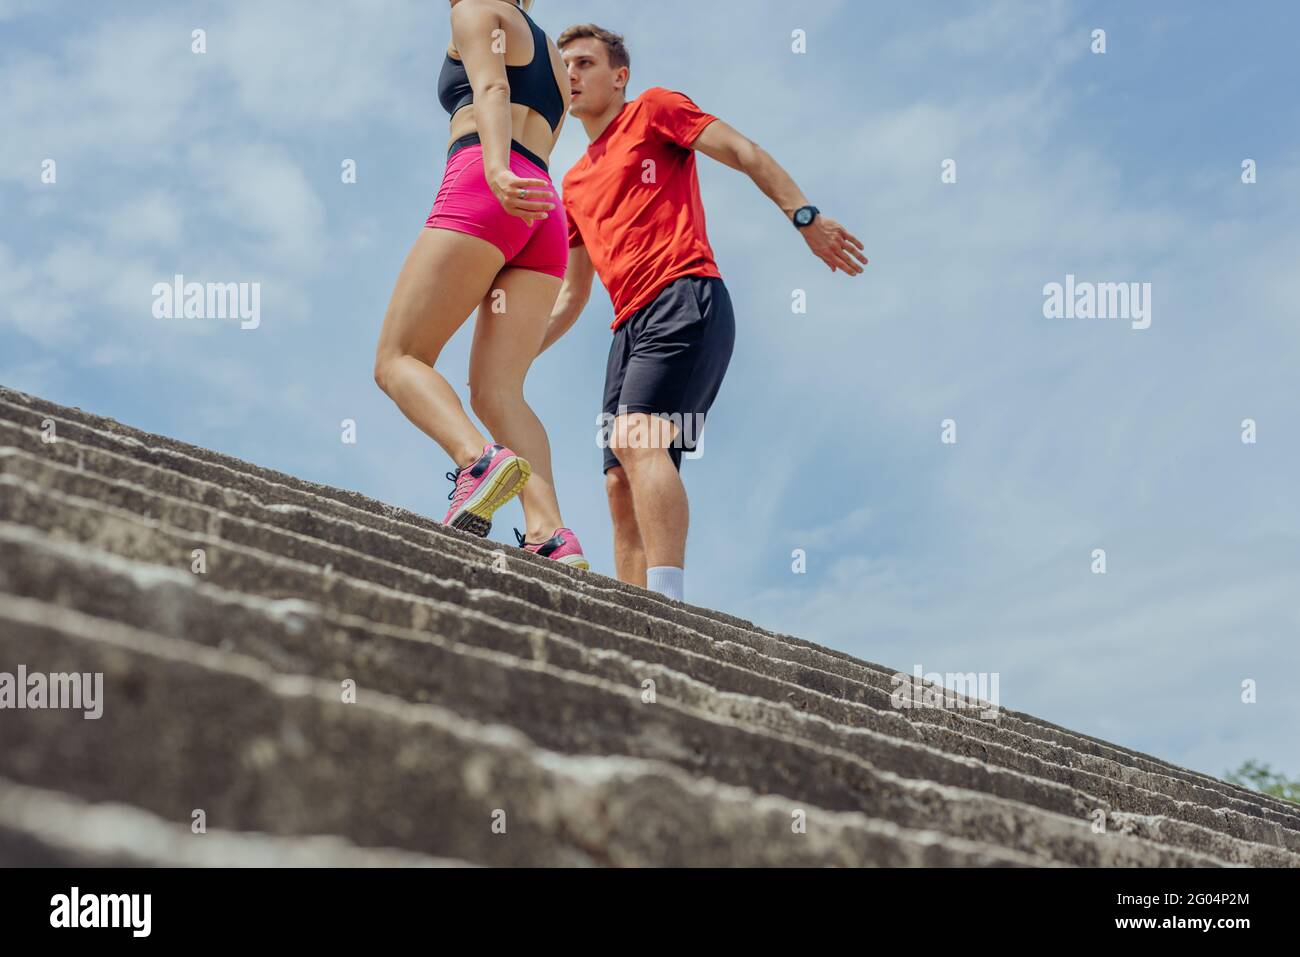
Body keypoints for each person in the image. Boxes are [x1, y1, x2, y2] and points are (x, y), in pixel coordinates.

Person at [541, 24, 867, 600]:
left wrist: (805, 217)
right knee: (619, 477)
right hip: (626, 329)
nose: (572, 74)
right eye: (565, 65)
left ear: (620, 78)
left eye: (585, 63)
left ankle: (669, 605)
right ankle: (635, 614)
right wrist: (517, 351)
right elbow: (573, 293)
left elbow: (744, 152)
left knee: (639, 439)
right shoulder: (573, 183)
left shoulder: (655, 109)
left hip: (683, 295)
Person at [374, 0, 588, 568]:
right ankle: (551, 534)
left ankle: (476, 461)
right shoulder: (550, 51)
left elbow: (491, 90)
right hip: (543, 205)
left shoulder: (477, 9)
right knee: (499, 391)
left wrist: (495, 171)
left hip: (487, 186)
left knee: (399, 359)